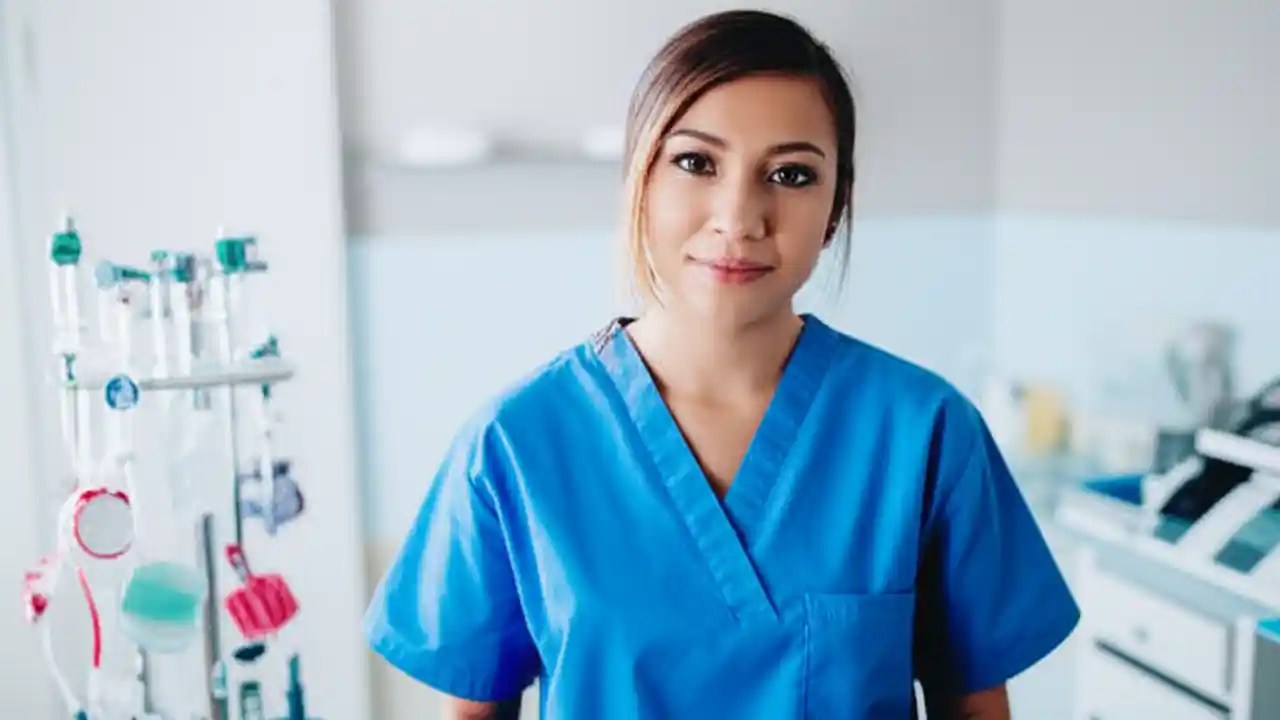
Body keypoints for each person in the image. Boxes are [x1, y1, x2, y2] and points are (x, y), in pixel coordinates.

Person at [364, 9, 1079, 719]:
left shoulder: (926, 434)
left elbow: (974, 707)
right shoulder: (517, 444)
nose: (739, 218)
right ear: (640, 181)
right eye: (696, 163)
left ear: (836, 207)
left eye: (791, 174)